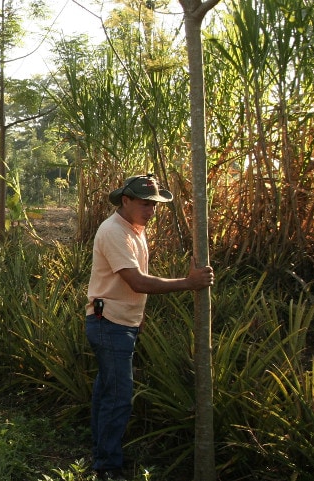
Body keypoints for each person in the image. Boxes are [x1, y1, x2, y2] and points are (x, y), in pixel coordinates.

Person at [85, 174, 214, 480]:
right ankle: (107, 467)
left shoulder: (134, 228)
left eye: (154, 204)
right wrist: (188, 283)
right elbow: (138, 281)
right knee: (118, 396)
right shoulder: (114, 231)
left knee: (107, 392)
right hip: (109, 323)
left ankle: (102, 451)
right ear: (125, 201)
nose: (151, 210)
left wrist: (137, 319)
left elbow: (130, 283)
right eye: (145, 204)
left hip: (120, 322)